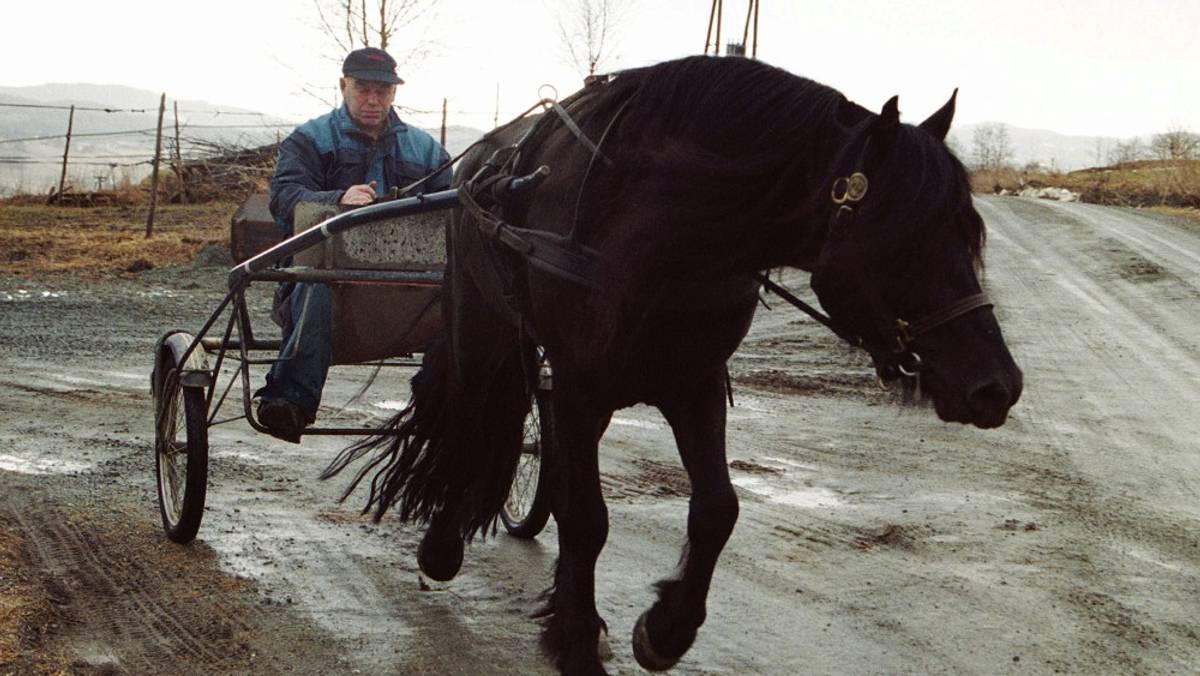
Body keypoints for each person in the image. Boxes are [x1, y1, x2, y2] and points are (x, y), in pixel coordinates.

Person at [257, 47, 451, 443]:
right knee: (315, 279)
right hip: (327, 286)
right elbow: (285, 199)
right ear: (344, 86)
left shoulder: (426, 150)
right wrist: (338, 199)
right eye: (363, 89)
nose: (373, 99)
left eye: (383, 91)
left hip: (409, 291)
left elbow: (453, 207)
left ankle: (448, 406)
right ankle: (289, 400)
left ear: (393, 94)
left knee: (462, 291)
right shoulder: (309, 140)